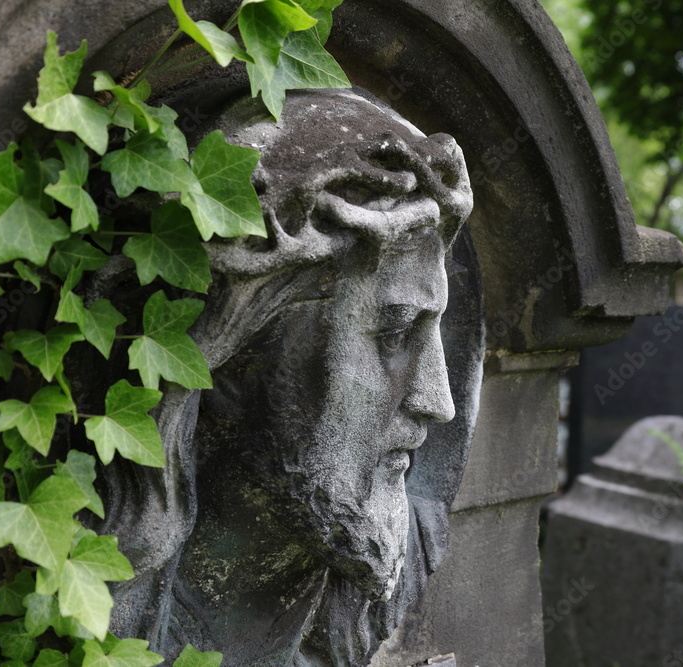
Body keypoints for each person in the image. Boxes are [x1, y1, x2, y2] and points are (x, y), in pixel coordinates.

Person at [95, 87, 477, 665]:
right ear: (227, 360)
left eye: (432, 332)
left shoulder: (401, 550)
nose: (436, 400)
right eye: (395, 334)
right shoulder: (103, 605)